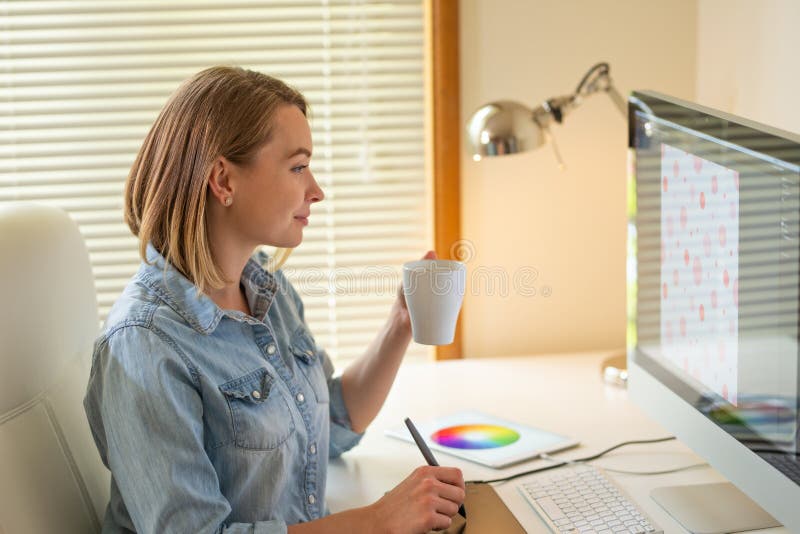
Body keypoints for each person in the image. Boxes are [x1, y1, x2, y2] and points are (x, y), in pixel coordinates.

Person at [83, 66, 465, 534]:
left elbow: (331, 426)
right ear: (223, 181)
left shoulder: (265, 289)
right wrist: (377, 521)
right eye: (298, 167)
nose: (316, 191)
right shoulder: (144, 345)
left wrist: (399, 325)